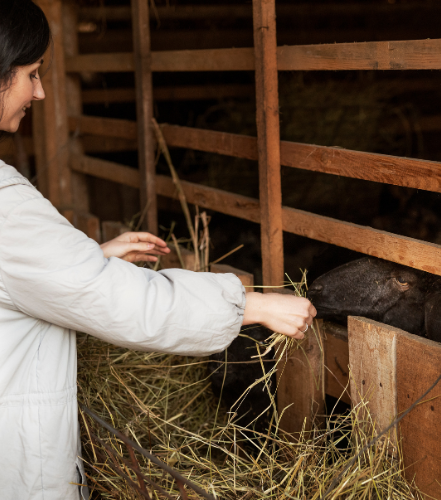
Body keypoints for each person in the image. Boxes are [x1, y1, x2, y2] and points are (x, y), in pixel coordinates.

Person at [0, 1, 316, 499]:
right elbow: (116, 301)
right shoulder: (6, 205)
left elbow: (16, 269)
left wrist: (91, 257)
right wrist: (249, 304)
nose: (39, 92)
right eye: (31, 74)